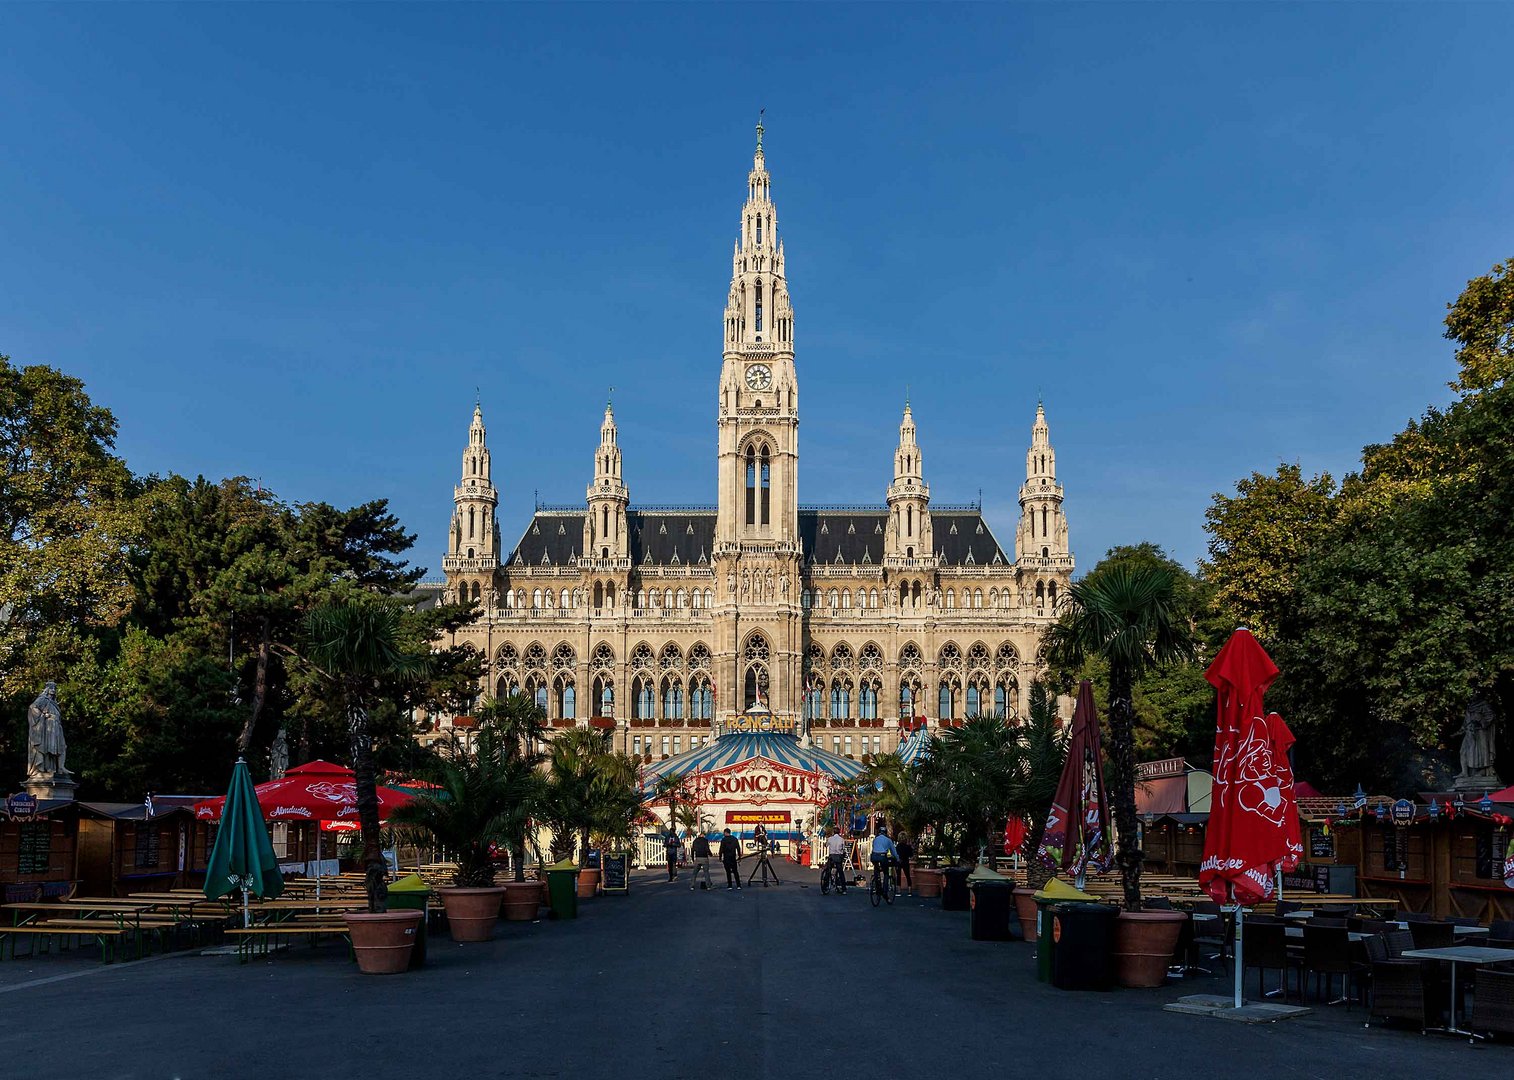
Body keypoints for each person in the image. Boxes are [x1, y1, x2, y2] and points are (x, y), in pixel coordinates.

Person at [870, 825, 899, 896]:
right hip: (883, 856)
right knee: (886, 873)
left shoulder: (875, 839)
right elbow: (893, 852)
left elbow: (874, 848)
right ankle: (885, 892)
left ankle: (877, 886)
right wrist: (897, 859)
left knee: (876, 870)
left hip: (874, 856)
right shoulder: (888, 840)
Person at [824, 827, 848, 893]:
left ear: (833, 832)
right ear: (839, 832)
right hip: (838, 856)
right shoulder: (841, 839)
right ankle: (844, 889)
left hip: (832, 856)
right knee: (840, 872)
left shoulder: (830, 839)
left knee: (828, 870)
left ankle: (825, 885)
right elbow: (843, 848)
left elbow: (826, 845)